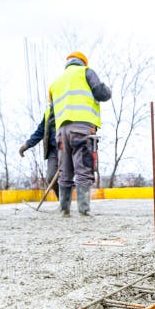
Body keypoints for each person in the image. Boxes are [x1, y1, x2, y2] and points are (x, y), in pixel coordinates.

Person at [48, 51, 111, 217]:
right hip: (82, 128)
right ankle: (83, 210)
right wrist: (107, 90)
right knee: (83, 169)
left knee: (65, 170)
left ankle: (64, 210)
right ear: (83, 62)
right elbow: (101, 93)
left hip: (61, 132)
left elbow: (51, 112)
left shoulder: (56, 83)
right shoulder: (86, 72)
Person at [19, 108, 59, 199]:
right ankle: (62, 200)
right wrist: (26, 145)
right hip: (54, 150)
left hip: (70, 146)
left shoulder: (69, 105)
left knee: (68, 176)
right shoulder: (50, 111)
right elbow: (40, 132)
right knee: (51, 177)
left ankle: (70, 203)